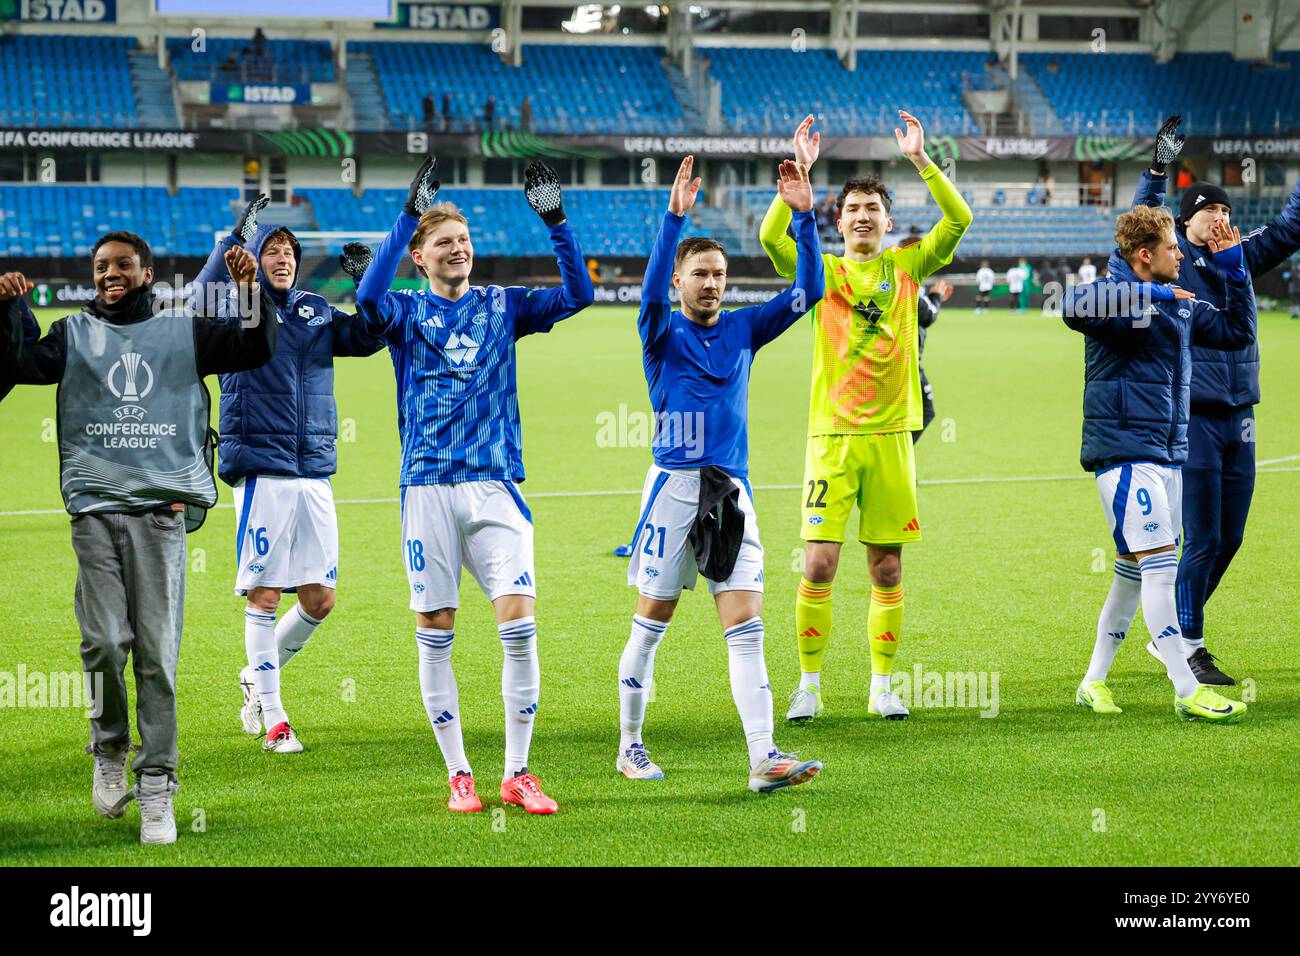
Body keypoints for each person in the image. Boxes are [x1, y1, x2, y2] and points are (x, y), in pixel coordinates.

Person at [0, 234, 276, 844]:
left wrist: (250, 288)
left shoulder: (183, 330)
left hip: (160, 511)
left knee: (156, 656)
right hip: (95, 509)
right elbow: (18, 366)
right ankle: (109, 749)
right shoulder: (72, 333)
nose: (110, 274)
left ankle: (157, 784)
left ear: (146, 272)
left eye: (122, 264)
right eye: (101, 267)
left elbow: (254, 348)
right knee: (102, 643)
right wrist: (10, 308)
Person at [355, 156, 593, 815]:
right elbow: (366, 302)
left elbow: (579, 296)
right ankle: (460, 773)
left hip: (494, 484)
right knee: (437, 629)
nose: (458, 249)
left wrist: (558, 224)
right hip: (427, 485)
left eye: (463, 240)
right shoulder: (402, 311)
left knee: (519, 625)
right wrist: (406, 216)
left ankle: (518, 772)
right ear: (421, 257)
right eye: (444, 243)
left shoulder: (502, 305)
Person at [616, 155, 825, 792]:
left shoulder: (743, 328)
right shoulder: (659, 332)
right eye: (699, 274)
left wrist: (805, 217)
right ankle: (630, 745)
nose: (711, 283)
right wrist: (673, 218)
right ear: (680, 280)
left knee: (747, 625)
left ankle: (763, 757)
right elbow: (649, 291)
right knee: (651, 625)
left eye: (719, 275)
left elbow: (807, 293)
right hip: (674, 491)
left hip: (731, 491)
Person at [760, 112, 972, 723]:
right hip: (831, 436)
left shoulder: (907, 267)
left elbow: (959, 220)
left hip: (891, 438)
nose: (861, 216)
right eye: (851, 207)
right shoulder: (821, 271)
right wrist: (796, 173)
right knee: (819, 561)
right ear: (838, 218)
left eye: (871, 209)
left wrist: (921, 161)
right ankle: (809, 684)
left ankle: (882, 685)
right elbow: (772, 242)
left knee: (886, 565)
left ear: (885, 220)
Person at [188, 196, 385, 755]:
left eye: (289, 252)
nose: (282, 258)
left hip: (315, 469)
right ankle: (274, 718)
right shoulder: (238, 311)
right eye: (271, 250)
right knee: (265, 592)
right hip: (263, 469)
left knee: (321, 599)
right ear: (253, 258)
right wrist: (231, 240)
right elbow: (197, 306)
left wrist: (369, 286)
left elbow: (368, 339)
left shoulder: (316, 310)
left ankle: (256, 672)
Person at [1128, 115, 1300, 683]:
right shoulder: (1171, 261)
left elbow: (1290, 226)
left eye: (1226, 210)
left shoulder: (1240, 258)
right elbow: (1138, 224)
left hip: (1240, 413)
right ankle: (1186, 644)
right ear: (1186, 220)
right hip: (1193, 414)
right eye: (1210, 210)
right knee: (1201, 535)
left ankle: (1174, 630)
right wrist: (1158, 169)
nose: (1221, 217)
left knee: (1231, 536)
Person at [1064, 205, 1253, 723]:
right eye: (1173, 248)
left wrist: (1235, 270)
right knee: (1162, 567)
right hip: (1126, 454)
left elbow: (1238, 333)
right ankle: (1185, 686)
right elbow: (1072, 304)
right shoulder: (1121, 299)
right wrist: (1157, 293)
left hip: (1168, 454)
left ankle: (1092, 682)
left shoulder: (1183, 303)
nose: (1181, 256)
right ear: (1145, 256)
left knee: (1131, 573)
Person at [915, 277, 952, 442]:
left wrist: (933, 298)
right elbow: (927, 315)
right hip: (907, 365)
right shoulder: (908, 277)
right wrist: (936, 297)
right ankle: (892, 460)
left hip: (900, 362)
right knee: (926, 411)